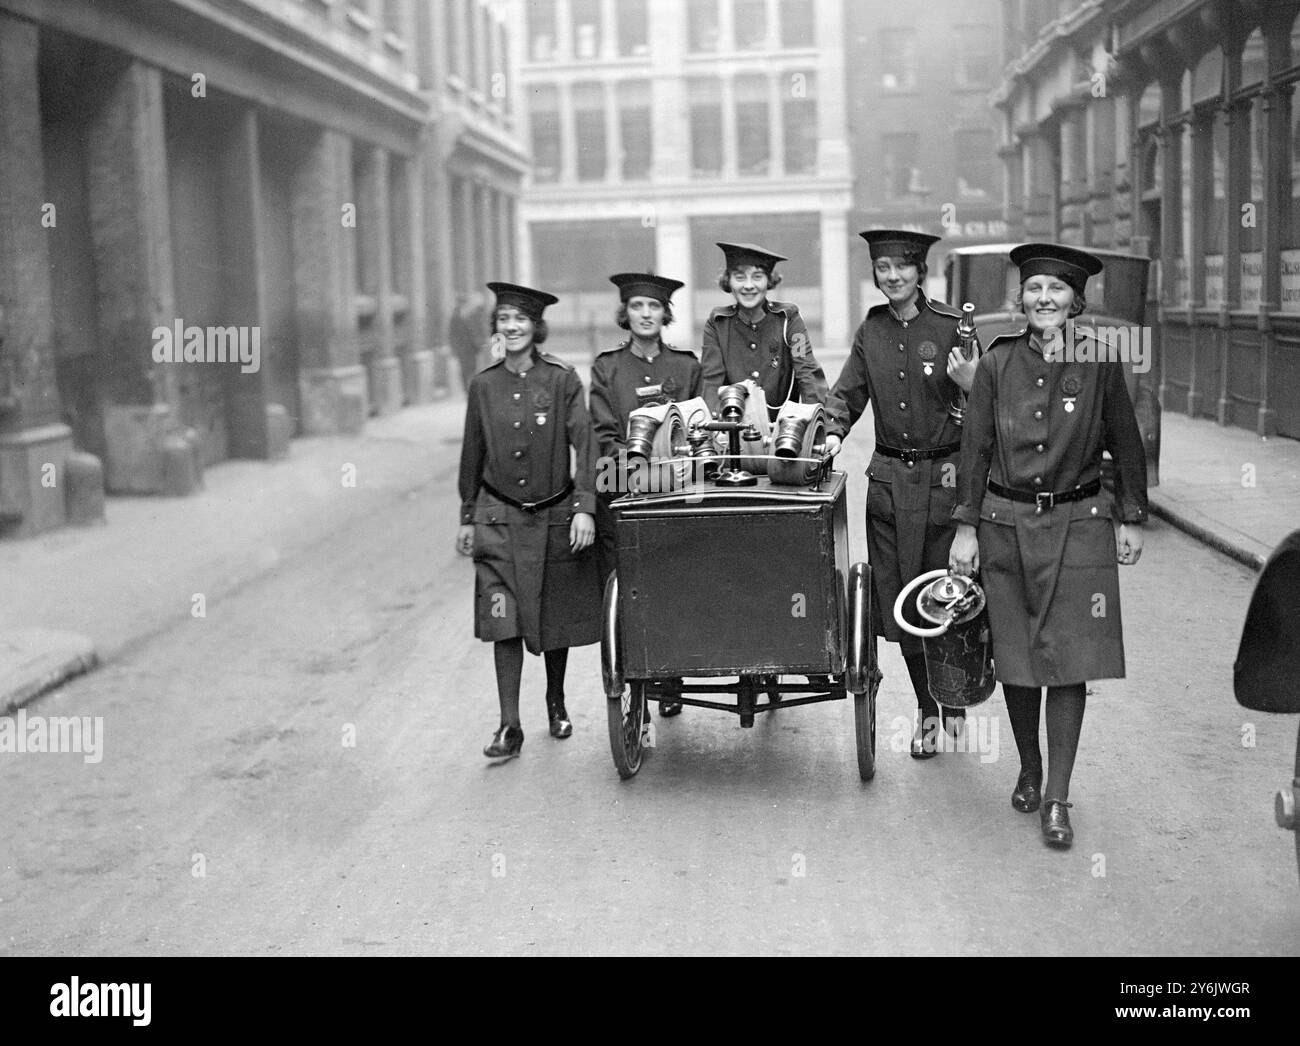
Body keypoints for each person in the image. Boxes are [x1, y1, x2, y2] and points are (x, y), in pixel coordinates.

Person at [948, 243, 1148, 848]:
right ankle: (1029, 766)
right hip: (1005, 523)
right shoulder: (997, 363)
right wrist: (965, 528)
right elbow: (975, 448)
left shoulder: (1102, 362)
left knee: (1069, 664)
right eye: (1034, 289)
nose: (1044, 300)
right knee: (1016, 659)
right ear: (1022, 299)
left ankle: (1057, 795)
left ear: (1074, 301)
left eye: (1056, 290)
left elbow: (1127, 442)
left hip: (1079, 523)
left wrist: (1130, 516)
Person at [823, 229, 979, 757]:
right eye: (883, 268)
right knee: (903, 606)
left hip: (946, 484)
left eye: (902, 268)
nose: (893, 277)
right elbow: (847, 394)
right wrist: (829, 431)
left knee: (947, 601)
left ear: (921, 272)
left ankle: (952, 695)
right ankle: (927, 711)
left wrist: (972, 382)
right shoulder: (872, 330)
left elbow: (983, 407)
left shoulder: (954, 327)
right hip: (890, 487)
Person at [456, 282, 601, 758]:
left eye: (520, 320)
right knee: (504, 618)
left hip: (555, 516)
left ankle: (556, 702)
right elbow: (471, 454)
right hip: (498, 520)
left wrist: (584, 508)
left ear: (535, 328)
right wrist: (467, 516)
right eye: (504, 319)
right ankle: (509, 725)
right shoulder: (484, 385)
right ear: (496, 327)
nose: (512, 327)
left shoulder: (561, 380)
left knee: (553, 614)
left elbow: (587, 445)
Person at [589, 272, 703, 718]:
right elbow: (601, 435)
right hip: (628, 495)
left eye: (653, 307)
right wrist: (642, 471)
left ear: (664, 314)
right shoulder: (606, 369)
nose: (645, 315)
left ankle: (671, 676)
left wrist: (672, 471)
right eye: (637, 307)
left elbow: (698, 430)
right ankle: (636, 676)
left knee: (674, 584)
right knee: (630, 592)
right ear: (626, 314)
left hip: (675, 498)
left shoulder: (685, 367)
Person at [700, 242, 829, 420]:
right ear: (728, 281)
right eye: (739, 277)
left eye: (757, 277)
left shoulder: (789, 319)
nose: (749, 285)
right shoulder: (717, 324)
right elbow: (711, 381)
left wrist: (816, 422)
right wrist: (714, 425)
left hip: (782, 430)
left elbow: (806, 370)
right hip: (733, 429)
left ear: (769, 281)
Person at [448, 293, 483, 395]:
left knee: (473, 367)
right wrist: (454, 347)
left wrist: (478, 343)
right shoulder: (455, 317)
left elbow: (475, 330)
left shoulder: (470, 315)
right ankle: (467, 390)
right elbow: (452, 333)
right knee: (464, 369)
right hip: (461, 348)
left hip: (471, 347)